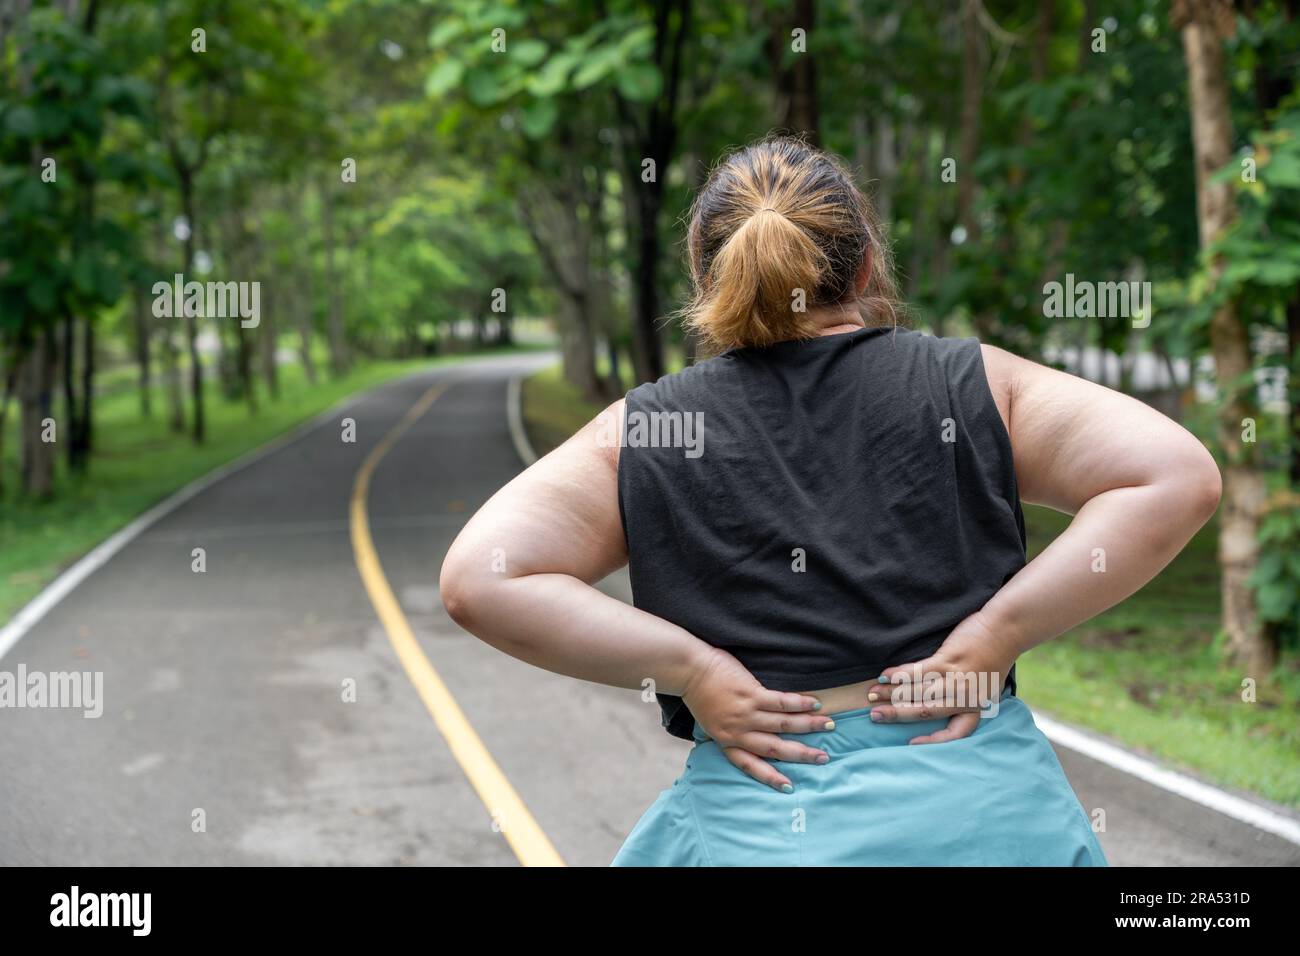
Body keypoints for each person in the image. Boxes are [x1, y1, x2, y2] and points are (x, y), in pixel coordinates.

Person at [439, 136, 1222, 866]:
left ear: (709, 275)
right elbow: (1176, 477)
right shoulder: (972, 382)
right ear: (866, 265)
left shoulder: (651, 427)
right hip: (994, 820)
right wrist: (996, 635)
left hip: (763, 827)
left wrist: (694, 671)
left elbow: (480, 580)